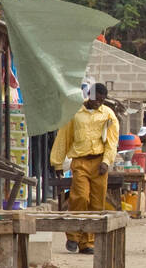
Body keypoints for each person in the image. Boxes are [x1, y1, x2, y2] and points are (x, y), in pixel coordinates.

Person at [50, 82, 119, 254]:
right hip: (80, 162)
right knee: (79, 197)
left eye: (102, 100)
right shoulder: (75, 113)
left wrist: (106, 161)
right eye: (97, 99)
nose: (99, 103)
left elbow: (112, 141)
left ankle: (88, 242)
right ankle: (73, 236)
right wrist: (57, 162)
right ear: (90, 95)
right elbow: (63, 137)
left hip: (99, 163)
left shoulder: (108, 115)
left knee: (97, 203)